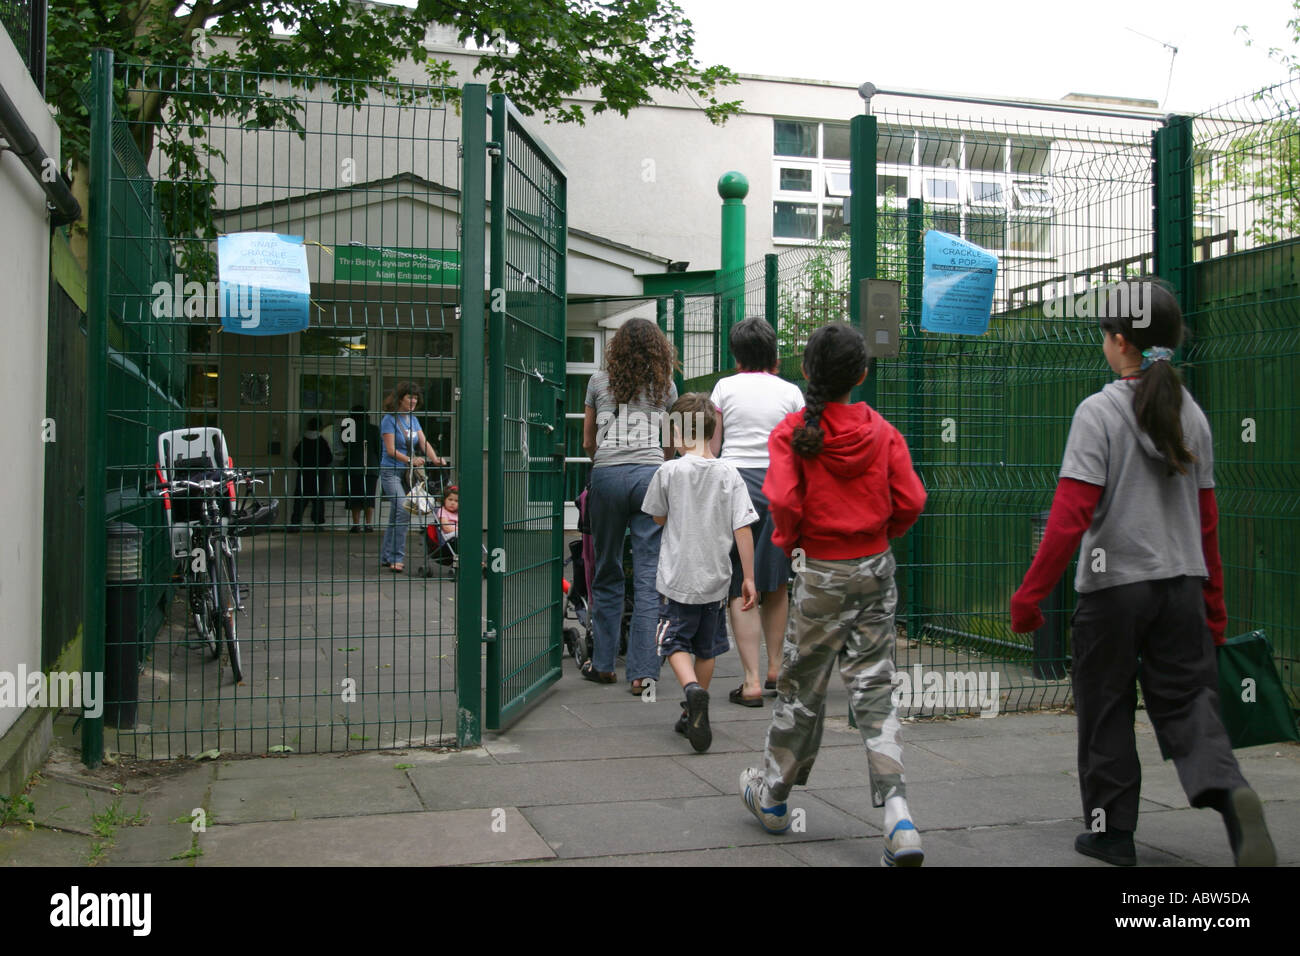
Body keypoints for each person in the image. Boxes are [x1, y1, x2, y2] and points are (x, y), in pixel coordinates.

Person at [1011, 279, 1276, 867]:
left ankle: (1112, 833)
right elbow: (1207, 526)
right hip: (1181, 587)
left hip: (1113, 594)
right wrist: (1214, 609)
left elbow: (1069, 518)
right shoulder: (1194, 416)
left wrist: (1030, 597)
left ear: (1120, 341)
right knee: (1189, 704)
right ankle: (1232, 797)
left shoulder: (1099, 412)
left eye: (1105, 335)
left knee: (1105, 707)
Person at [739, 323, 927, 867]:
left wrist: (793, 542)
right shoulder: (883, 432)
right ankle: (898, 817)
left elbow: (784, 503)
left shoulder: (793, 433)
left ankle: (774, 796)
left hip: (820, 570)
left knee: (803, 684)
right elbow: (911, 498)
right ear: (862, 374)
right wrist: (879, 536)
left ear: (805, 372)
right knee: (874, 686)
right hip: (875, 568)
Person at [641, 393, 758, 753]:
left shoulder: (669, 472)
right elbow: (743, 528)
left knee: (672, 642)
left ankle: (691, 691)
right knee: (706, 648)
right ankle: (695, 709)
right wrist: (748, 577)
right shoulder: (730, 474)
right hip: (717, 579)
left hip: (677, 578)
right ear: (710, 431)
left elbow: (657, 517)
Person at [708, 317, 805, 706]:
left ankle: (749, 681)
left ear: (736, 354)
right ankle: (775, 669)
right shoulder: (791, 392)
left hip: (735, 486)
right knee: (775, 582)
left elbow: (713, 449)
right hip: (779, 488)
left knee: (738, 580)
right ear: (772, 352)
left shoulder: (724, 388)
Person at [581, 318, 678, 691]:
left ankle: (604, 663)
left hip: (607, 474)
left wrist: (605, 463)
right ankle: (643, 674)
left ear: (615, 348)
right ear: (659, 349)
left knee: (606, 568)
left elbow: (589, 441)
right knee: (650, 574)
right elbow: (670, 443)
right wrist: (657, 460)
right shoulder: (665, 385)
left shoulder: (597, 381)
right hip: (650, 475)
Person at [380, 382, 446, 573]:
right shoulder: (389, 420)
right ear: (400, 398)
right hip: (391, 471)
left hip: (407, 474)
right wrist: (411, 460)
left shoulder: (413, 420)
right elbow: (391, 450)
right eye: (409, 397)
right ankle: (395, 557)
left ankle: (386, 555)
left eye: (416, 398)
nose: (413, 401)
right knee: (403, 510)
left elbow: (423, 442)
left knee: (396, 515)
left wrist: (434, 459)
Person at [290, 417, 333, 530]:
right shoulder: (322, 441)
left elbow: (295, 455)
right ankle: (318, 524)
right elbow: (329, 458)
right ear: (320, 427)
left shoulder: (302, 440)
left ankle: (295, 523)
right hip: (319, 474)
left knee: (300, 498)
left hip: (304, 473)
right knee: (318, 499)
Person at [343, 404, 382, 533]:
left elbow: (344, 444)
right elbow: (379, 449)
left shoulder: (348, 427)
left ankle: (355, 524)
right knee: (369, 495)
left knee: (355, 496)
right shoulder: (373, 429)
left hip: (353, 466)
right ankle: (369, 524)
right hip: (371, 466)